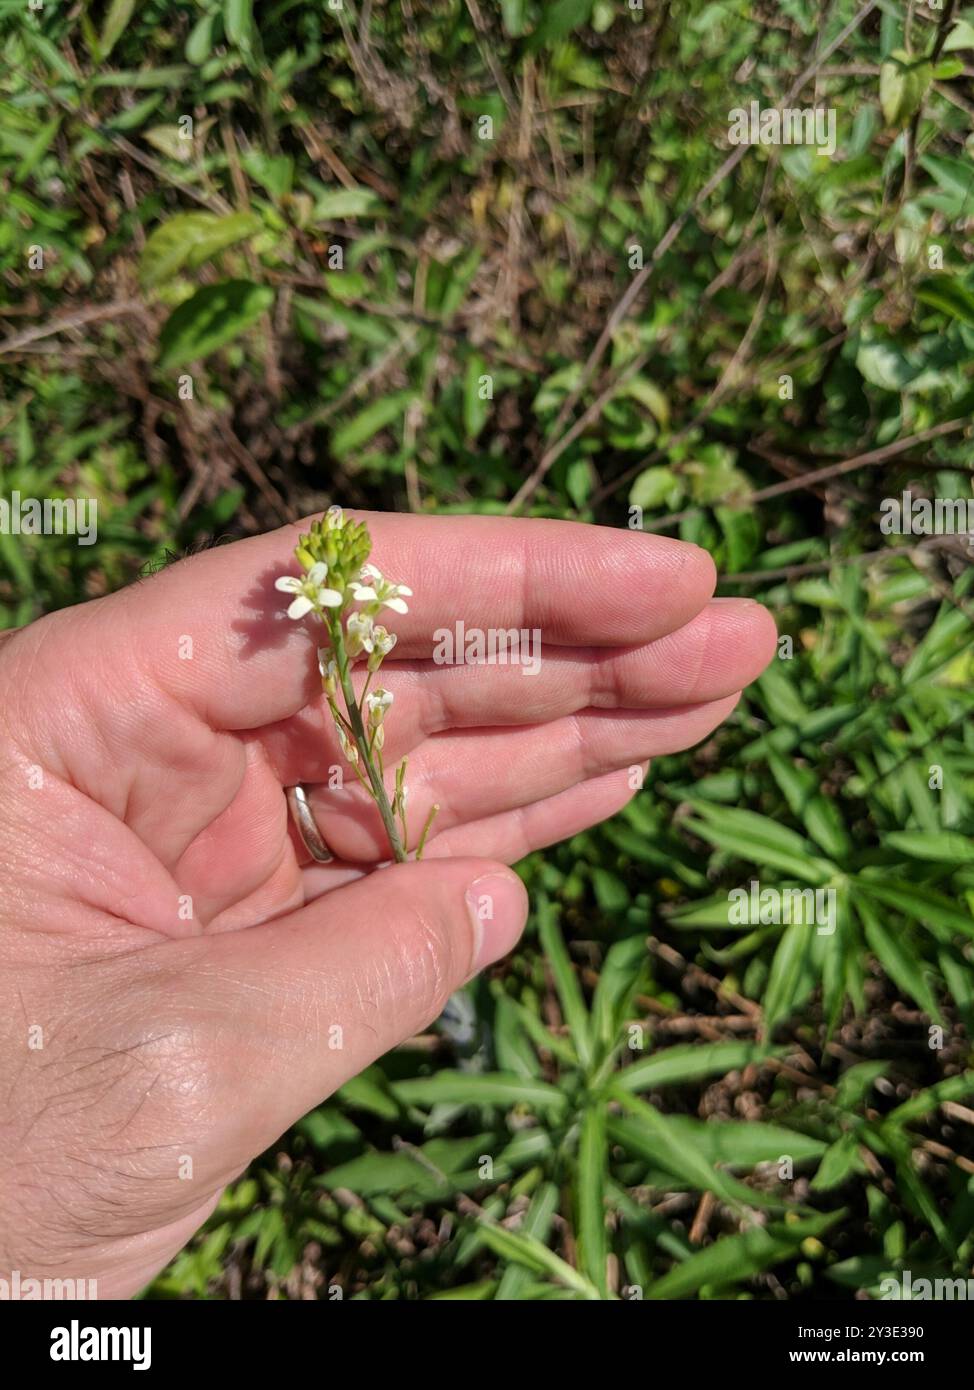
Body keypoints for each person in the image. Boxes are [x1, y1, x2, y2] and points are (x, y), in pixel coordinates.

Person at [0, 511, 776, 1298]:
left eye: (324, 587)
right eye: (317, 587)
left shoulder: (354, 624)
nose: (316, 593)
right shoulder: (334, 631)